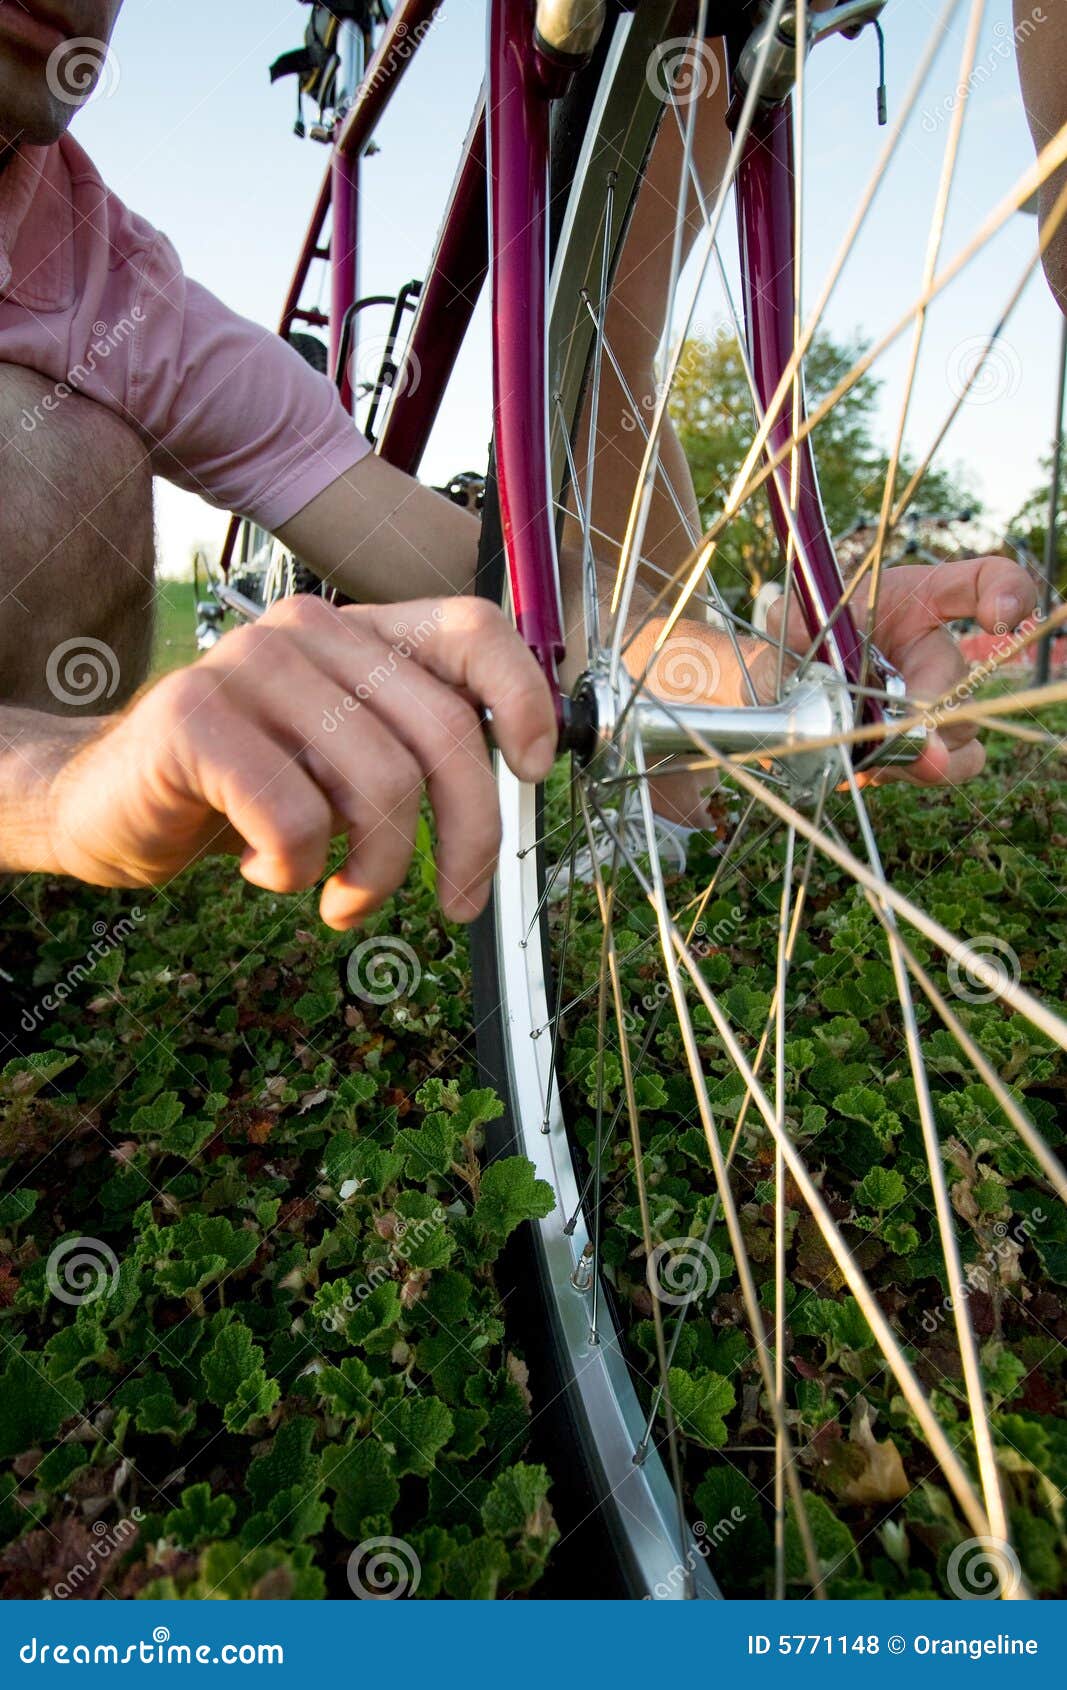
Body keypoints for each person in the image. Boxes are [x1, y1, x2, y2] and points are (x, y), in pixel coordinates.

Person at [0, 2, 1040, 931]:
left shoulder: (107, 291)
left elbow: (478, 582)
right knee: (50, 453)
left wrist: (790, 673)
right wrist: (57, 785)